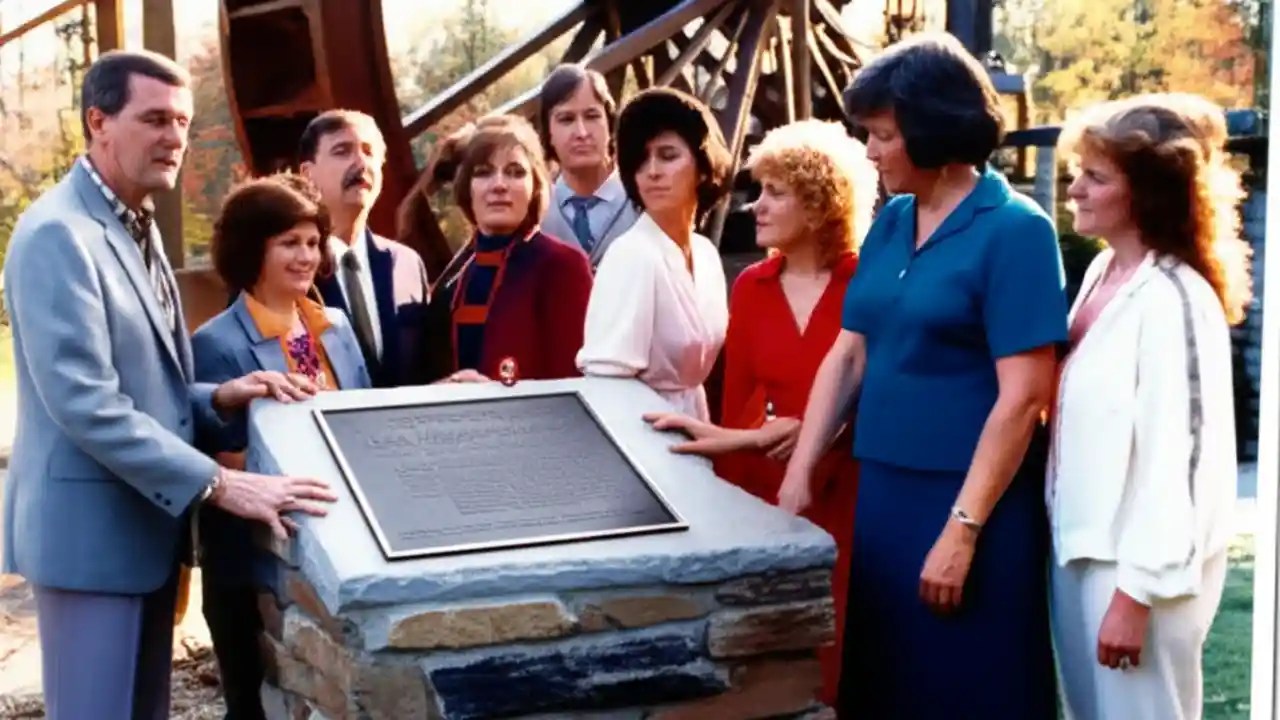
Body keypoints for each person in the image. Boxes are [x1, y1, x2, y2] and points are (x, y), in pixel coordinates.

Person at [0, 50, 335, 720]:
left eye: (182, 121)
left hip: (147, 536)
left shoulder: (136, 226)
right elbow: (86, 405)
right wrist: (221, 484)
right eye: (154, 119)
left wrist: (222, 396)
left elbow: (148, 388)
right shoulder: (57, 236)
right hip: (91, 544)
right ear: (98, 122)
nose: (175, 137)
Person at [779, 33, 1068, 718]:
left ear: (934, 130)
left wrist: (962, 530)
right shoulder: (892, 220)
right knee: (887, 687)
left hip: (972, 505)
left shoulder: (1017, 230)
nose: (870, 151)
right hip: (884, 497)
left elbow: (1024, 397)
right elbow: (850, 354)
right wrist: (798, 475)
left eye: (883, 135)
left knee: (968, 689)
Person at [642, 118, 877, 704]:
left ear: (819, 203)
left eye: (776, 192)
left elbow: (882, 392)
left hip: (850, 488)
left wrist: (818, 433)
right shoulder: (750, 284)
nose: (756, 206)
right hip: (764, 482)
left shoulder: (867, 282)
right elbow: (736, 404)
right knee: (768, 658)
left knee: (846, 649)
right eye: (758, 190)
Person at [1049, 93, 1250, 720]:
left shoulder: (1175, 297)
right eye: (1078, 172)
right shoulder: (1101, 275)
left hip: (1135, 574)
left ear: (1148, 193)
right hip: (1080, 553)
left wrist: (1138, 593)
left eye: (1096, 177)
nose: (1075, 189)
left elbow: (1184, 456)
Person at [190, 174, 372, 720]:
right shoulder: (215, 343)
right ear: (252, 250)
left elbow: (363, 419)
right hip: (252, 568)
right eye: (289, 242)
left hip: (341, 548)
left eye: (313, 242)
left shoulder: (336, 326)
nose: (306, 255)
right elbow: (223, 459)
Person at [576, 87, 733, 421]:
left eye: (668, 155)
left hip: (696, 423)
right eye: (640, 160)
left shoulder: (706, 255)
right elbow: (606, 382)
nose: (652, 171)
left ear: (703, 167)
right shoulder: (630, 255)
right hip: (641, 429)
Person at [421, 114, 594, 382]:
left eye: (515, 172)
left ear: (535, 186)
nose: (499, 185)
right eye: (483, 172)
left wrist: (494, 395)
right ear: (467, 188)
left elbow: (574, 383)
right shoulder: (451, 282)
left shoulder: (562, 266)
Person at [300, 109, 433, 388]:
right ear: (308, 174)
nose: (361, 163)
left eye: (369, 152)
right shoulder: (284, 268)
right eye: (342, 151)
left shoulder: (407, 265)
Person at [537, 64, 641, 268]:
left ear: (610, 125)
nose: (582, 133)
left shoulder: (643, 202)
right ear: (549, 133)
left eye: (592, 116)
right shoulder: (535, 213)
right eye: (566, 119)